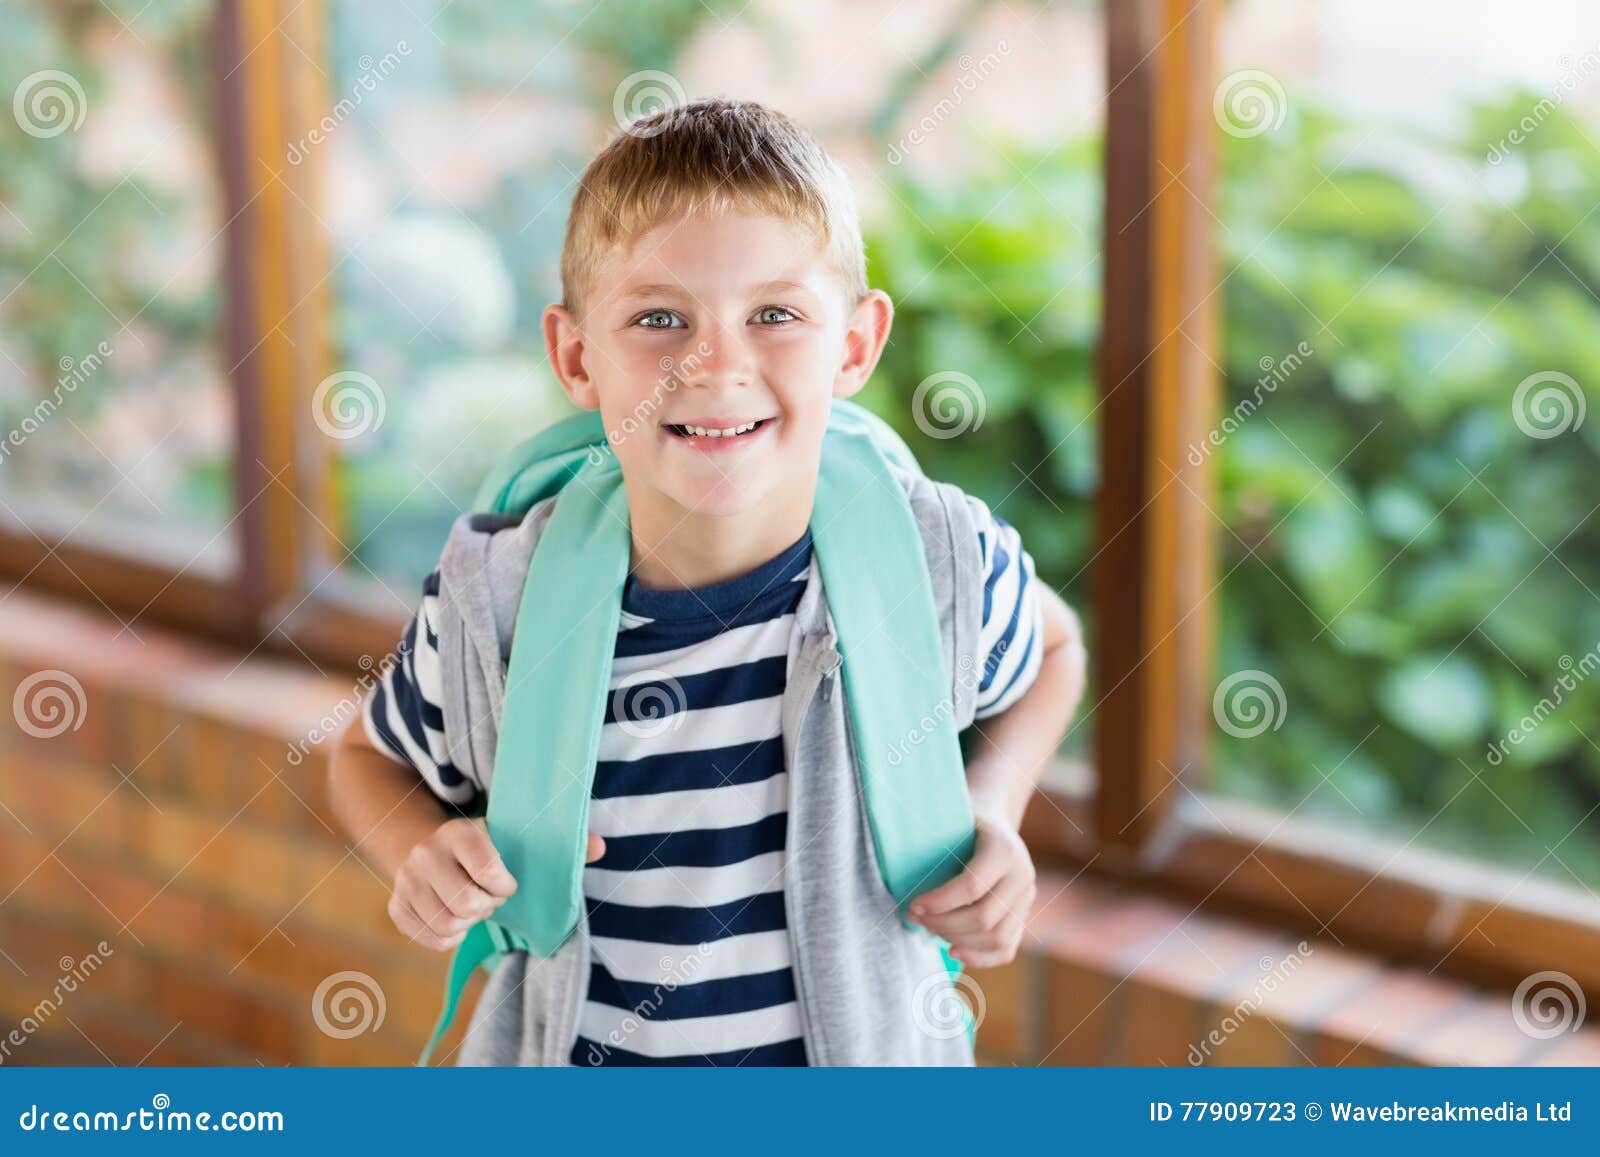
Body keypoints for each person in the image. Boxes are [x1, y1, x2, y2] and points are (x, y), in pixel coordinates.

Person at [329, 97, 1086, 1066]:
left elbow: (1055, 645)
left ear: (854, 343)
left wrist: (993, 803)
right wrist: (415, 854)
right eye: (657, 317)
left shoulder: (939, 561)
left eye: (773, 313)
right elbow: (364, 754)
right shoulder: (499, 604)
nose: (715, 361)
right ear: (575, 356)